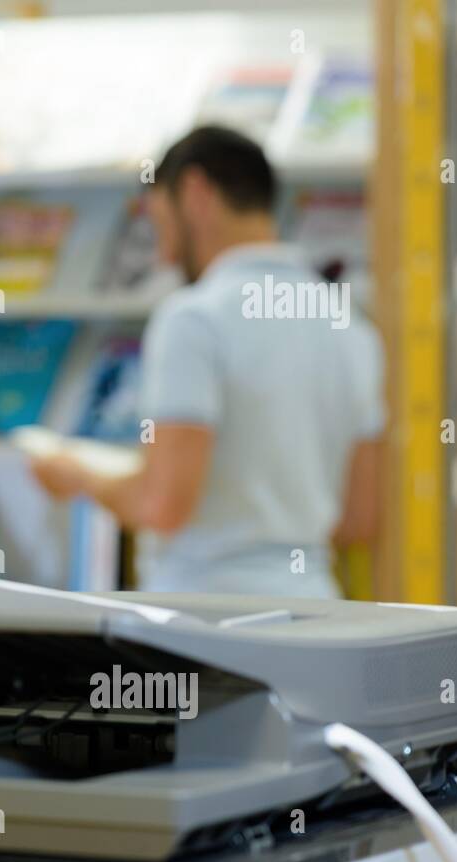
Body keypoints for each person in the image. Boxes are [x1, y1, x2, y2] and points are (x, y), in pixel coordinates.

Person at [30, 125, 384, 598]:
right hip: (316, 608)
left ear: (195, 192)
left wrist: (79, 475)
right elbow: (359, 517)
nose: (163, 253)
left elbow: (164, 505)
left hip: (207, 616)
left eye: (160, 225)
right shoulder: (350, 326)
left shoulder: (193, 320)